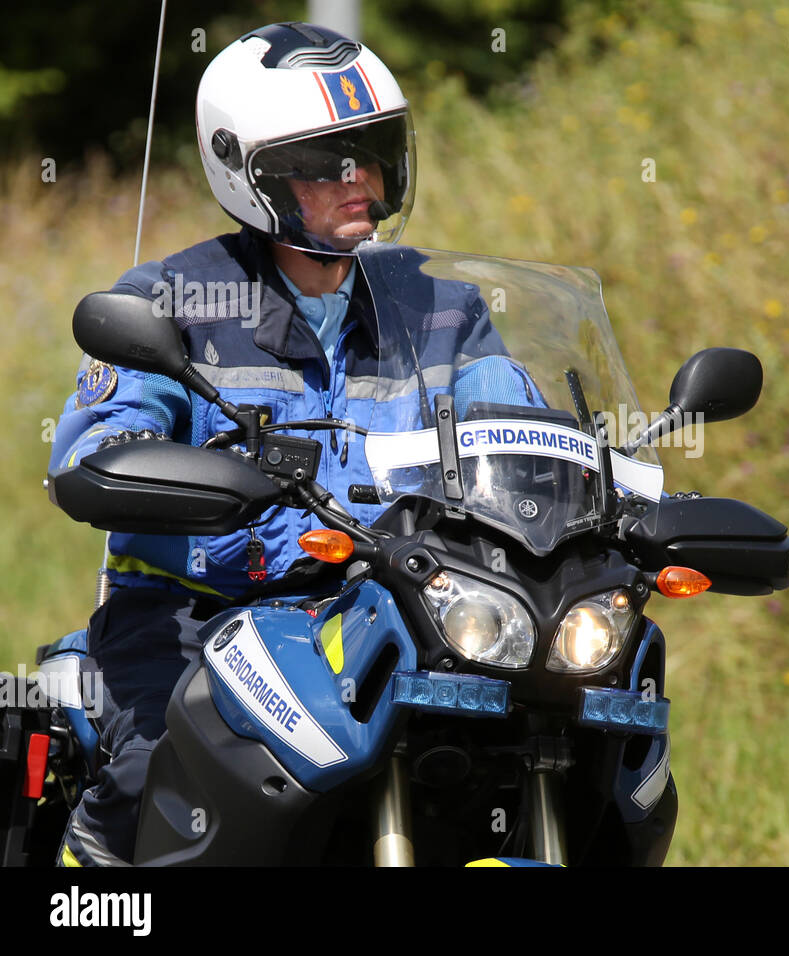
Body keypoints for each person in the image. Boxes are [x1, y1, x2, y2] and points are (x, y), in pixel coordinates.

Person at [47, 21, 538, 866]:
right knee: (151, 772)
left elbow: (527, 439)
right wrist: (156, 468)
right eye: (328, 163)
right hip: (202, 617)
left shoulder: (444, 311)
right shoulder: (174, 300)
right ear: (252, 174)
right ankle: (91, 877)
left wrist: (605, 486)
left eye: (374, 155)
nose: (363, 182)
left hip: (401, 611)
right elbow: (95, 451)